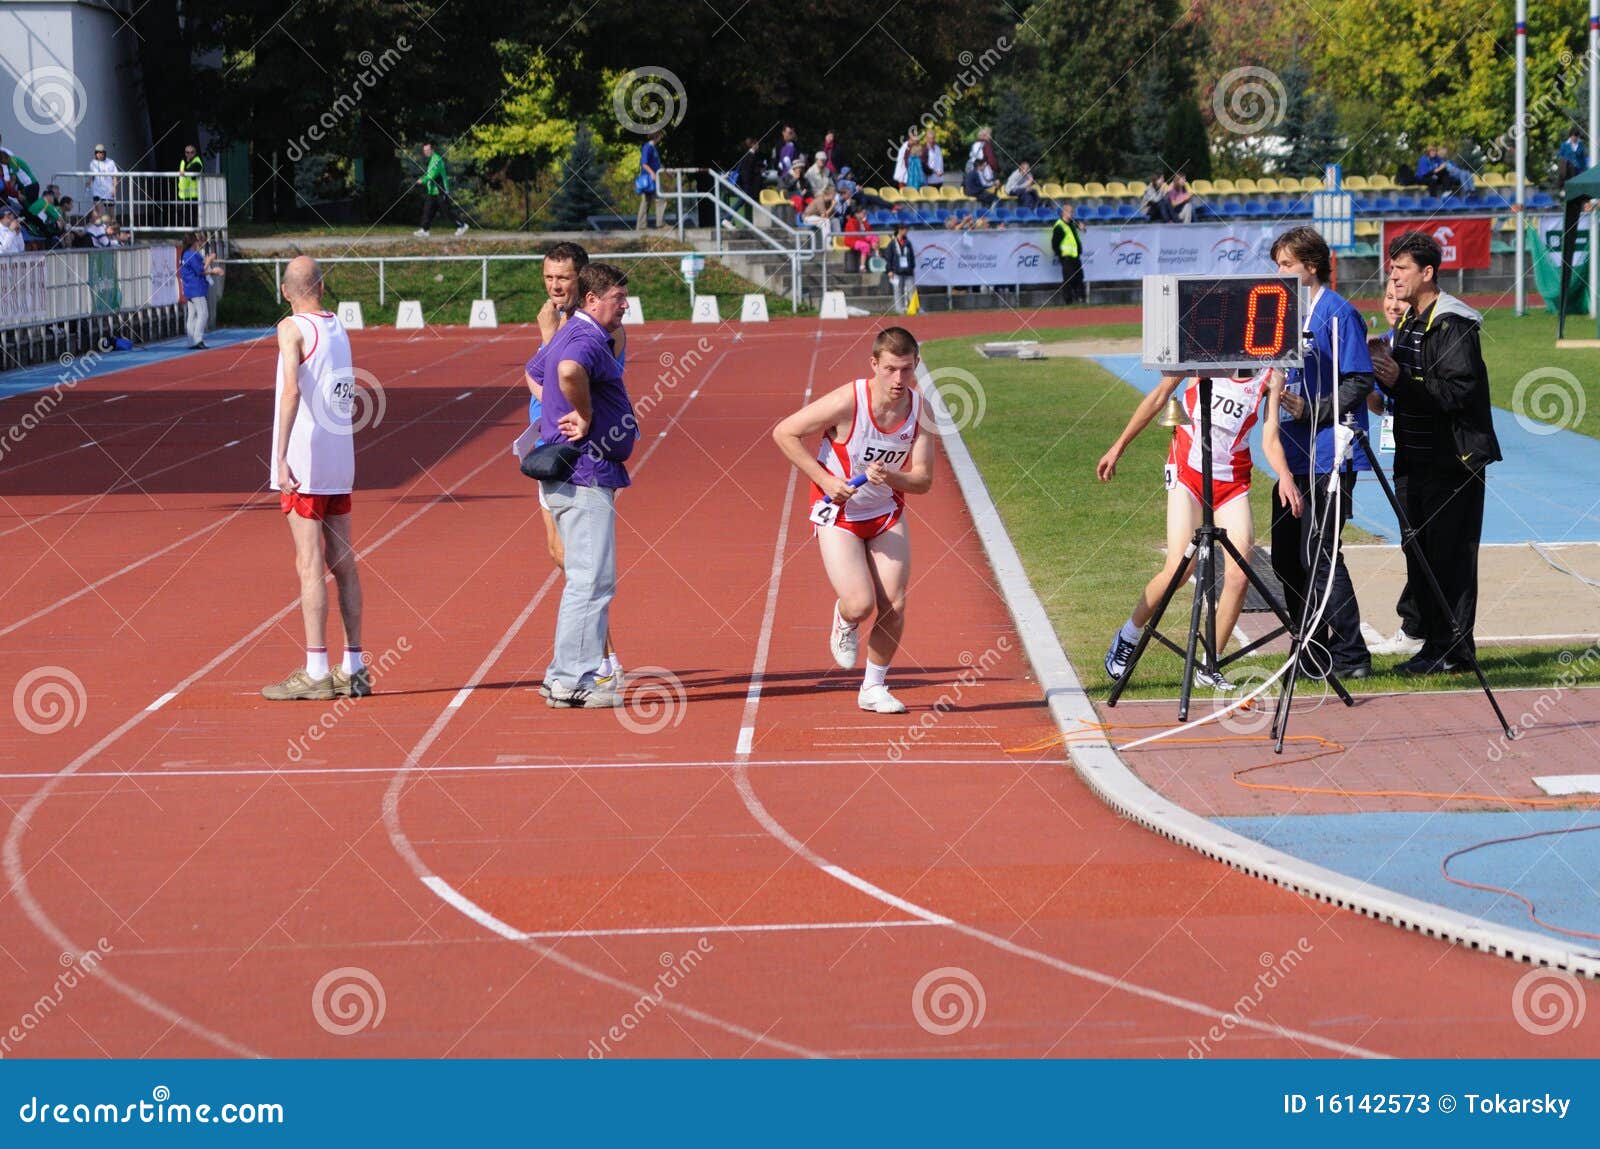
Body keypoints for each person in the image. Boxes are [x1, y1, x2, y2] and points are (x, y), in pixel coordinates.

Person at [1098, 367, 1301, 689]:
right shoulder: (1201, 358)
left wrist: (1285, 475)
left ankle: (1210, 665)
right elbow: (1157, 398)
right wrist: (1118, 446)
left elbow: (1270, 435)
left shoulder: (1270, 377)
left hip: (1232, 482)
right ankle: (1129, 634)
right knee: (1180, 568)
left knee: (1239, 573)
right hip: (1188, 474)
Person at [772, 327, 935, 715]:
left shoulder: (920, 411)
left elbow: (924, 480)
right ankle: (845, 619)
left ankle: (874, 687)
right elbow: (785, 432)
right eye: (891, 369)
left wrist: (891, 477)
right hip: (838, 511)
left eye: (907, 370)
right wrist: (827, 479)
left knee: (894, 603)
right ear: (874, 365)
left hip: (884, 512)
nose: (899, 380)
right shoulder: (850, 399)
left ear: (916, 365)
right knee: (861, 603)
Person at [1377, 231, 1502, 675]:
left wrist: (1399, 381)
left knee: (1451, 556)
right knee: (1421, 554)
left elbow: (1458, 393)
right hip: (1413, 458)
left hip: (1453, 461)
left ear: (1427, 273)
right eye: (1392, 270)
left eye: (1402, 270)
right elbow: (1409, 389)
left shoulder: (1451, 322)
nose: (1393, 277)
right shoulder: (1410, 321)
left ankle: (1455, 651)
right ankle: (1432, 645)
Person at [1268, 225, 1376, 679]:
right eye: (1277, 265)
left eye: (1287, 265)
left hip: (1330, 452)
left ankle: (1352, 654)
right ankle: (1311, 645)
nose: (1280, 273)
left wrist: (1315, 408)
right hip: (1292, 452)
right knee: (1285, 555)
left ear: (1312, 266)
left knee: (1322, 552)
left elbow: (1360, 379)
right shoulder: (1286, 314)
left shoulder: (1339, 313)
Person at [517, 242, 625, 687]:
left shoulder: (599, 330)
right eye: (548, 278)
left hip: (584, 454)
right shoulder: (563, 324)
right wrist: (552, 403)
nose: (555, 286)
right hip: (551, 449)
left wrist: (571, 405)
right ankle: (579, 664)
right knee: (567, 560)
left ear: (583, 282)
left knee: (582, 569)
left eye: (563, 278)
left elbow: (571, 368)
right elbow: (538, 372)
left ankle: (601, 659)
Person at [262, 256, 368, 702]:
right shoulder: (339, 328)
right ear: (322, 288)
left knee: (308, 565)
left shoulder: (291, 328)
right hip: (339, 460)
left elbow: (291, 390)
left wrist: (281, 457)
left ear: (285, 292)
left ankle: (316, 669)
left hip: (305, 460)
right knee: (342, 560)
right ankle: (355, 666)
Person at [538, 262, 639, 708]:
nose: (625, 306)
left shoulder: (568, 331)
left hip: (576, 473)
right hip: (585, 474)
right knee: (591, 582)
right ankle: (570, 680)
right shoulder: (584, 338)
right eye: (618, 299)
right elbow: (564, 372)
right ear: (593, 300)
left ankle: (561, 674)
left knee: (586, 580)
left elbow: (537, 369)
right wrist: (584, 414)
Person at [1364, 281, 1425, 658]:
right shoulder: (1385, 340)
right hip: (1404, 450)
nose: (1394, 303)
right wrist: (1370, 380)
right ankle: (1417, 624)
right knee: (1411, 536)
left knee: (1419, 538)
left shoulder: (1414, 341)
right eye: (1389, 297)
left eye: (1401, 298)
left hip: (1428, 453)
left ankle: (1417, 626)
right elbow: (1380, 405)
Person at [179, 231, 224, 349]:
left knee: (192, 315)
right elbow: (200, 271)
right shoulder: (191, 255)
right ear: (193, 242)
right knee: (203, 313)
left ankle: (190, 340)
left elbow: (200, 265)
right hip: (196, 288)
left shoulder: (186, 254)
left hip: (190, 288)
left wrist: (208, 260)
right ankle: (197, 339)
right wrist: (212, 267)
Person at [414, 141, 468, 238]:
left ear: (432, 150)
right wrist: (424, 179)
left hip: (440, 190)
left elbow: (432, 175)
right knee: (428, 210)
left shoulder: (436, 159)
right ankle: (424, 230)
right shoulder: (431, 160)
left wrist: (423, 180)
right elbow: (429, 174)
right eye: (424, 151)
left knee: (446, 210)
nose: (426, 152)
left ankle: (462, 225)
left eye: (428, 150)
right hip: (432, 191)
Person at [1050, 202, 1085, 304]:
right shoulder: (1059, 226)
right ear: (1064, 213)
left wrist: (1081, 226)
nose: (1072, 214)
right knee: (1068, 279)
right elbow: (1054, 244)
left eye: (1072, 212)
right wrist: (1061, 255)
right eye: (1070, 212)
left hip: (1075, 256)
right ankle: (1068, 300)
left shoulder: (1071, 223)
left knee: (1079, 277)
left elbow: (1078, 225)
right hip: (1066, 257)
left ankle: (1081, 298)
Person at [636, 130, 664, 230]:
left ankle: (641, 226)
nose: (661, 137)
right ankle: (660, 224)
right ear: (657, 136)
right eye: (660, 135)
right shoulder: (647, 147)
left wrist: (668, 173)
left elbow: (658, 164)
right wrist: (652, 173)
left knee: (647, 201)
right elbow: (644, 163)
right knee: (660, 199)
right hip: (649, 179)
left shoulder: (653, 148)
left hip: (654, 178)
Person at [886, 223, 915, 313]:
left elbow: (912, 256)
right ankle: (899, 310)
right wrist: (889, 270)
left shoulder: (908, 243)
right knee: (898, 291)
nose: (906, 231)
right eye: (905, 229)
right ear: (900, 230)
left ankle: (913, 308)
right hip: (896, 272)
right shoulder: (892, 243)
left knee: (911, 291)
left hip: (908, 272)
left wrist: (912, 267)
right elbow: (889, 257)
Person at [177, 143, 204, 226]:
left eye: (191, 152)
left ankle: (197, 235)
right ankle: (188, 236)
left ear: (195, 153)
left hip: (194, 195)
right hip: (183, 195)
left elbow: (190, 170)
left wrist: (185, 171)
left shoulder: (197, 162)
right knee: (185, 218)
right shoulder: (183, 161)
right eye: (187, 152)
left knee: (194, 218)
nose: (189, 154)